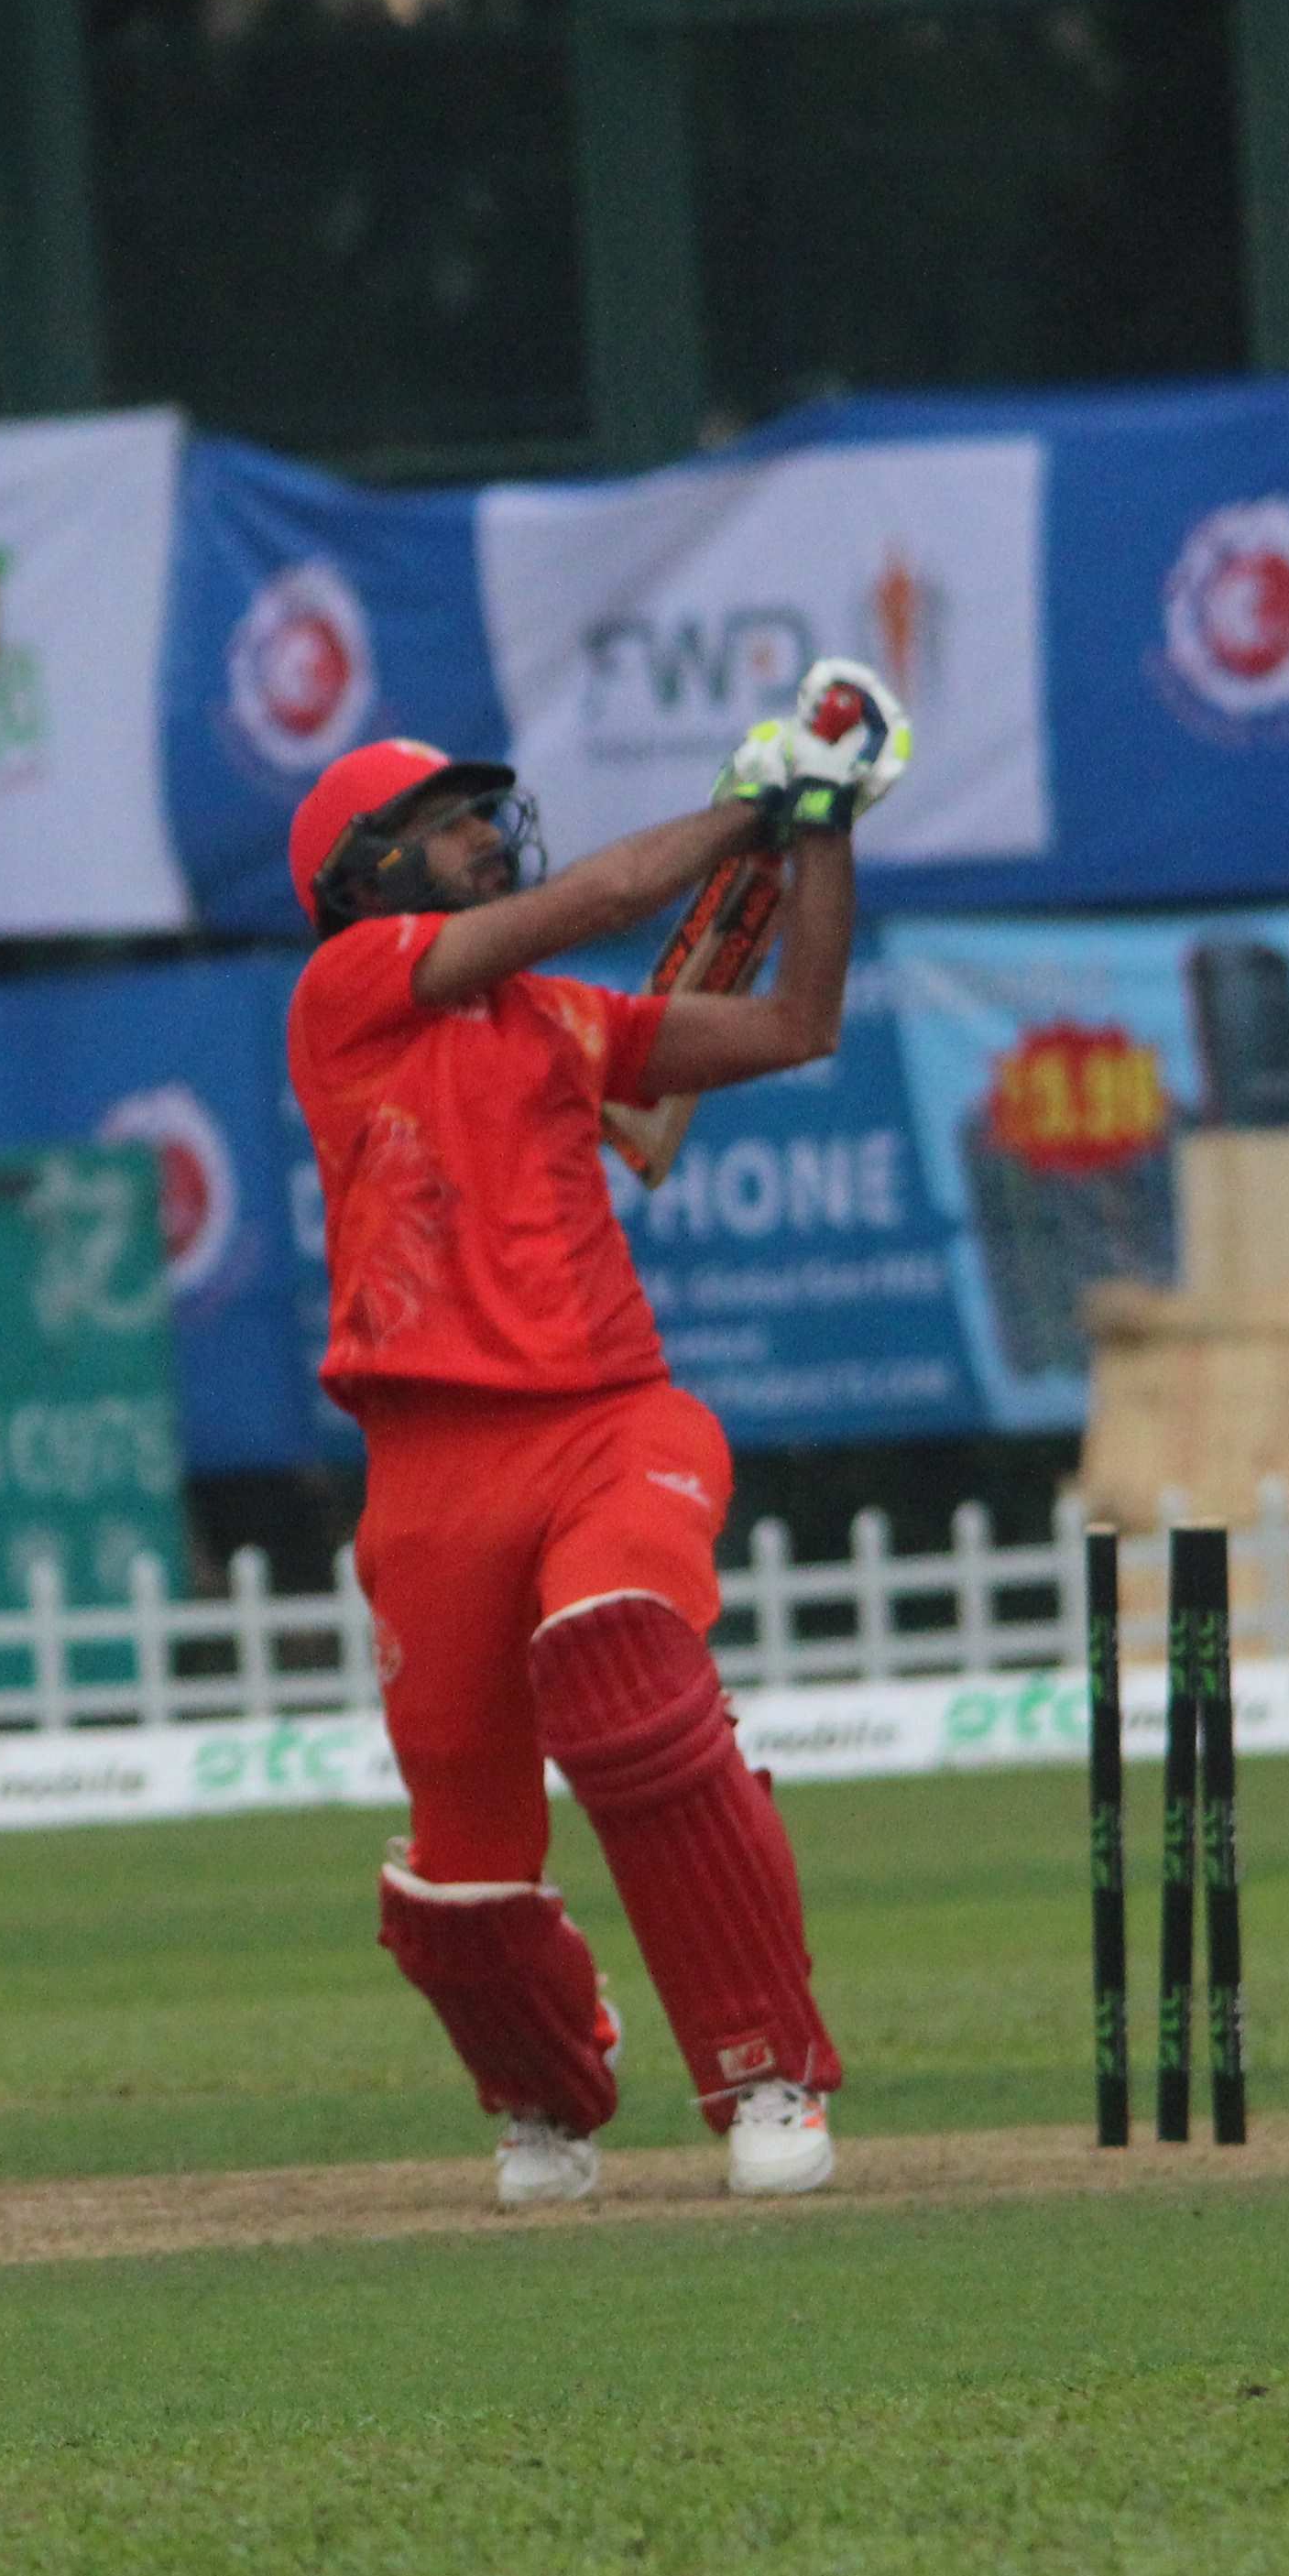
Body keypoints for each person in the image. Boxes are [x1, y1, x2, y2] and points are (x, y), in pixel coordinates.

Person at [281, 660, 908, 2210]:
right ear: (366, 876)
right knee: (462, 1862)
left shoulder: (559, 1023)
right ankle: (544, 2094)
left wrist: (816, 828)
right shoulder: (348, 996)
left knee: (624, 1657)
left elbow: (797, 1021)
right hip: (426, 1478)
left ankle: (766, 2071)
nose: (487, 838)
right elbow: (604, 893)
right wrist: (749, 805)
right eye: (442, 829)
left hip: (607, 1423)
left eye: (482, 814)